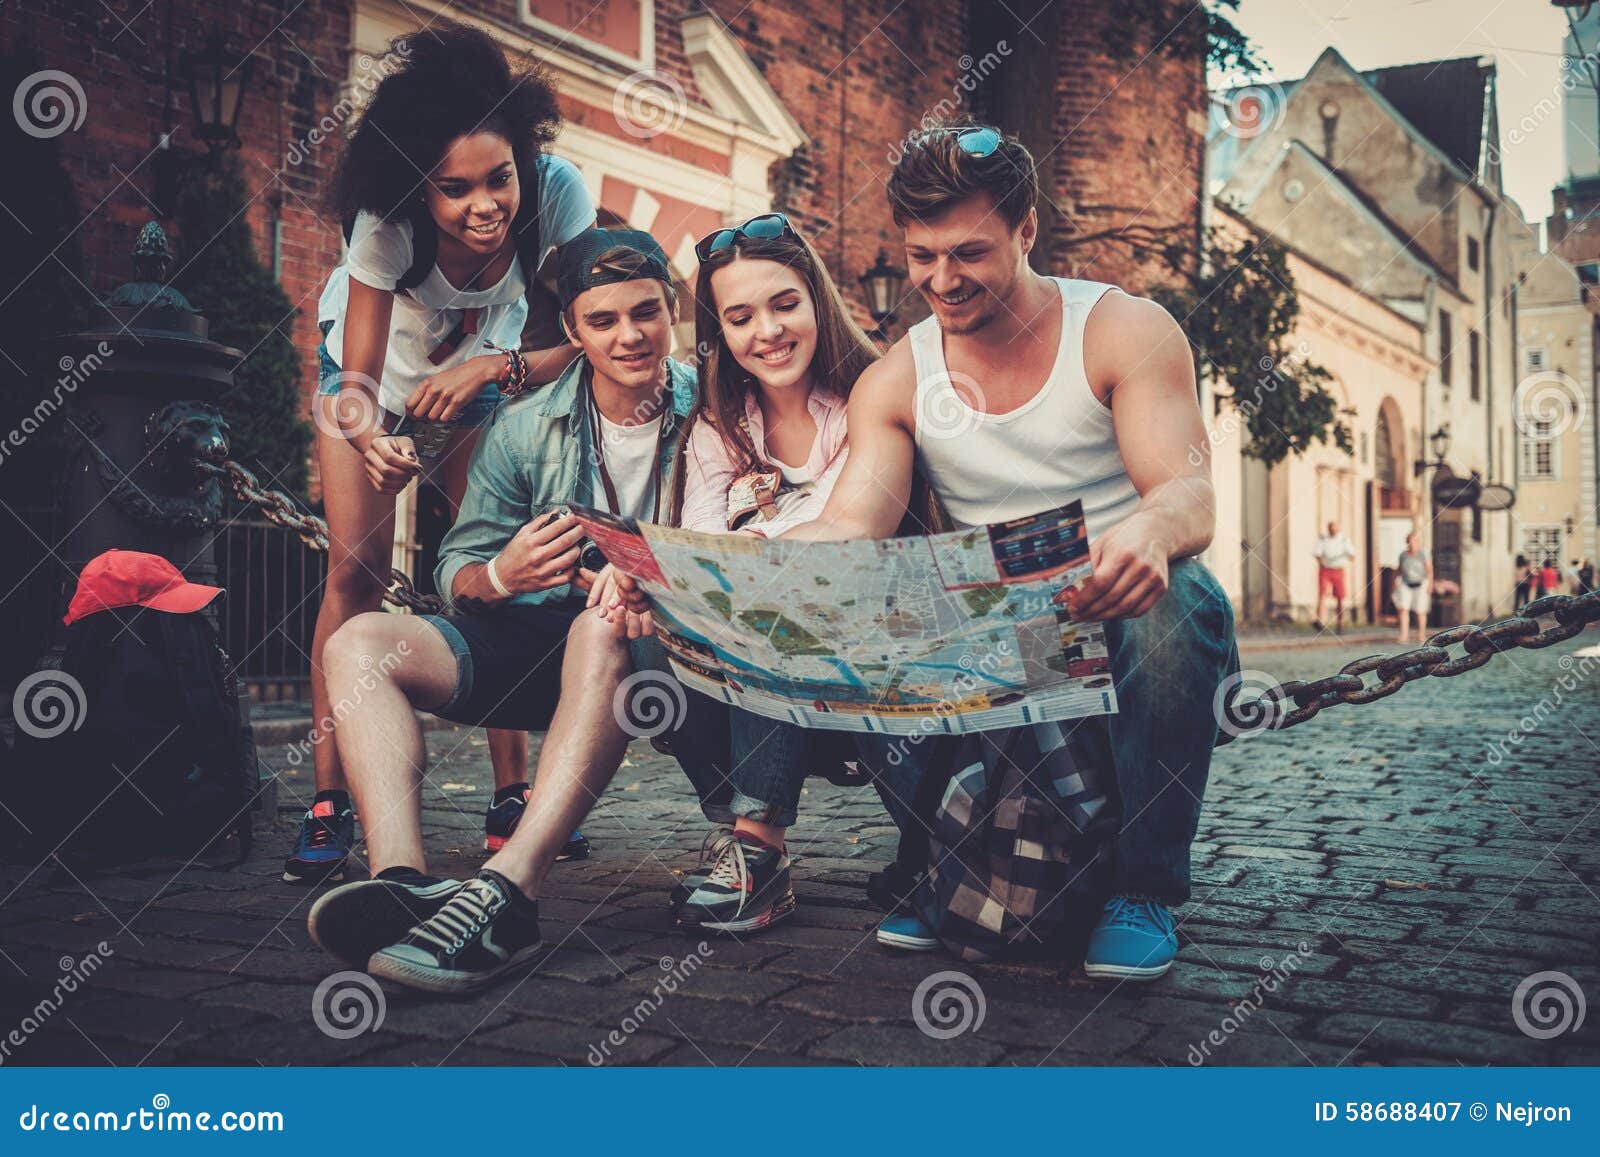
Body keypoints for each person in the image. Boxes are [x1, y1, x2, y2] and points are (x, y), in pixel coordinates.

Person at [679, 123, 1241, 981]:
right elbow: (851, 524)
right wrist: (716, 572)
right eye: (922, 256)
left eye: (969, 252)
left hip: (1119, 618)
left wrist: (1149, 533)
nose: (943, 280)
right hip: (995, 644)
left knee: (1180, 598)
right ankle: (940, 866)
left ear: (1026, 228)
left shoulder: (1122, 330)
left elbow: (1189, 491)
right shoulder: (898, 378)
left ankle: (1145, 887)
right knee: (866, 598)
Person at [306, 230, 733, 991]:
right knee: (358, 643)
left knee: (602, 621)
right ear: (572, 330)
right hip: (539, 650)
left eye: (646, 312)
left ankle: (512, 892)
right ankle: (401, 882)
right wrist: (502, 575)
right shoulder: (526, 426)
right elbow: (456, 569)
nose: (629, 336)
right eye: (602, 320)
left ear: (673, 310)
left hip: (674, 655)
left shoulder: (719, 407)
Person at [289, 25, 597, 885]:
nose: (483, 205)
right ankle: (330, 799)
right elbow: (354, 380)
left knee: (494, 562)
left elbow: (589, 338)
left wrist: (491, 369)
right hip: (374, 387)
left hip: (482, 376)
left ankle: (512, 794)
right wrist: (372, 438)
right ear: (418, 185)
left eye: (498, 178)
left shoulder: (558, 193)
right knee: (353, 573)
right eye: (454, 189)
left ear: (522, 156)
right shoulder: (385, 222)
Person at [665, 211, 927, 940]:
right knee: (658, 636)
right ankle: (754, 848)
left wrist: (744, 558)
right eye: (740, 317)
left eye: (785, 304)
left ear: (818, 301)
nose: (768, 331)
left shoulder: (869, 399)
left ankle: (767, 846)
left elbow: (843, 533)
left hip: (877, 645)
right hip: (762, 648)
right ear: (720, 332)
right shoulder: (717, 427)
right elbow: (702, 547)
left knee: (774, 600)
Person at [1312, 521, 1356, 632]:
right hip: (1326, 569)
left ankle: (1340, 622)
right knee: (1322, 593)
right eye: (1331, 528)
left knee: (1340, 596)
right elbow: (1317, 554)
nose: (1333, 530)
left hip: (1338, 569)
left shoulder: (1344, 540)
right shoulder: (1323, 539)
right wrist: (1323, 562)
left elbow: (1352, 555)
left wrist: (1344, 561)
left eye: (1335, 528)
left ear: (1338, 529)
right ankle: (1320, 620)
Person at [1393, 532, 1432, 643]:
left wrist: (1430, 584)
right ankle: (1404, 635)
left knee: (1420, 610)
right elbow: (1399, 569)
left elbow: (1429, 570)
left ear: (1418, 542)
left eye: (1415, 541)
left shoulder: (1423, 554)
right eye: (1410, 541)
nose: (1412, 543)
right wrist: (1395, 581)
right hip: (1406, 583)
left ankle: (1421, 635)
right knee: (1403, 609)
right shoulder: (1403, 555)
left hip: (1421, 584)